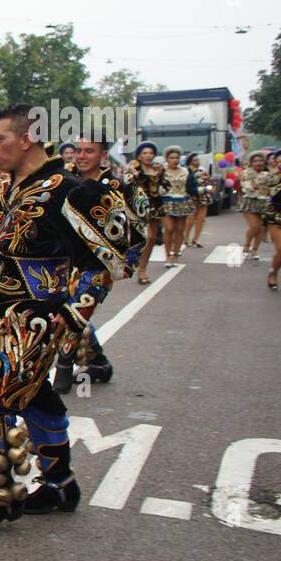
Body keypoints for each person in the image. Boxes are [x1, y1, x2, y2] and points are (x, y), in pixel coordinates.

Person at [0, 105, 139, 532]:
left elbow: (107, 261)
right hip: (2, 316)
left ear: (27, 139)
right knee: (36, 397)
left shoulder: (70, 192)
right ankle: (60, 484)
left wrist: (74, 315)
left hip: (40, 319)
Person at [53, 134, 146, 394]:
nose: (81, 156)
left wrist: (128, 260)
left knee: (76, 311)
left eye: (89, 151)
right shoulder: (61, 180)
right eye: (78, 150)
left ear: (103, 155)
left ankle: (63, 367)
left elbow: (139, 223)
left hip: (98, 265)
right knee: (65, 309)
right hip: (62, 260)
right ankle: (99, 363)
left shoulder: (120, 185)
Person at [126, 141, 163, 284]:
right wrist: (132, 174)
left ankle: (142, 269)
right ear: (139, 156)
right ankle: (129, 262)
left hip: (154, 206)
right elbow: (127, 181)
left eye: (151, 153)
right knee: (137, 237)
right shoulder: (135, 167)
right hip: (137, 206)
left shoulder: (158, 169)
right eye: (145, 153)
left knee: (152, 238)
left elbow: (164, 186)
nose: (148, 156)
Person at [157, 146, 196, 266]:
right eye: (172, 158)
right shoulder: (161, 170)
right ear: (167, 159)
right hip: (166, 202)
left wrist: (197, 193)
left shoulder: (186, 171)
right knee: (169, 228)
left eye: (177, 157)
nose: (175, 160)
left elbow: (192, 187)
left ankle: (175, 254)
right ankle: (168, 255)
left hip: (182, 202)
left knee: (179, 229)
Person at [237, 150, 272, 262]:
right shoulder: (246, 173)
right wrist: (251, 187)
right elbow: (245, 185)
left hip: (265, 202)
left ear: (264, 162)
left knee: (262, 228)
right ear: (251, 163)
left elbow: (275, 185)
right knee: (254, 226)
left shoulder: (267, 175)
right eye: (255, 161)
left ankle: (255, 249)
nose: (258, 163)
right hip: (250, 202)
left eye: (260, 161)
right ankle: (246, 245)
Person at [265, 149, 281, 290]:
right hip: (278, 218)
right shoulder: (273, 177)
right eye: (279, 161)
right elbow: (276, 194)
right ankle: (273, 273)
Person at [184, 154, 212, 248]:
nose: (197, 162)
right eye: (195, 160)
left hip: (203, 195)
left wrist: (207, 180)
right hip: (192, 196)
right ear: (190, 161)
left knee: (201, 219)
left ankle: (196, 239)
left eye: (198, 160)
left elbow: (208, 182)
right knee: (190, 218)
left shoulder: (203, 170)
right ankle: (186, 238)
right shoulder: (186, 170)